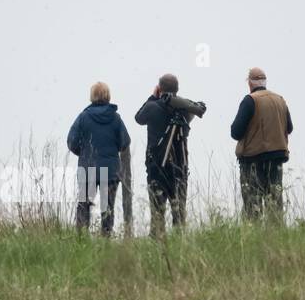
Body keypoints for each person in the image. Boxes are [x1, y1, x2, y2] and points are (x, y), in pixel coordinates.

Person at [134, 73, 206, 237]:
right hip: (180, 167)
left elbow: (138, 118)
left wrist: (153, 97)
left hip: (156, 167)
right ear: (177, 89)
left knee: (157, 214)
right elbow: (195, 110)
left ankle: (158, 246)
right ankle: (179, 247)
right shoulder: (185, 110)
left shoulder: (152, 107)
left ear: (160, 88)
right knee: (179, 214)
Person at [66, 81, 131, 236]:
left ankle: (81, 238)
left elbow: (71, 141)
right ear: (108, 96)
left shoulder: (83, 117)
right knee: (107, 208)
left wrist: (82, 154)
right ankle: (106, 238)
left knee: (84, 205)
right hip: (110, 171)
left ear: (92, 96)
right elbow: (125, 142)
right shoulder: (115, 119)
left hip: (88, 170)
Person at [230, 67, 292, 220]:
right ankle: (276, 238)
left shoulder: (250, 100)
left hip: (253, 160)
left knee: (253, 206)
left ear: (250, 83)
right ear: (264, 82)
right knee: (275, 204)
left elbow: (235, 132)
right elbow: (289, 128)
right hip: (277, 159)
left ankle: (253, 238)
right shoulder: (280, 100)